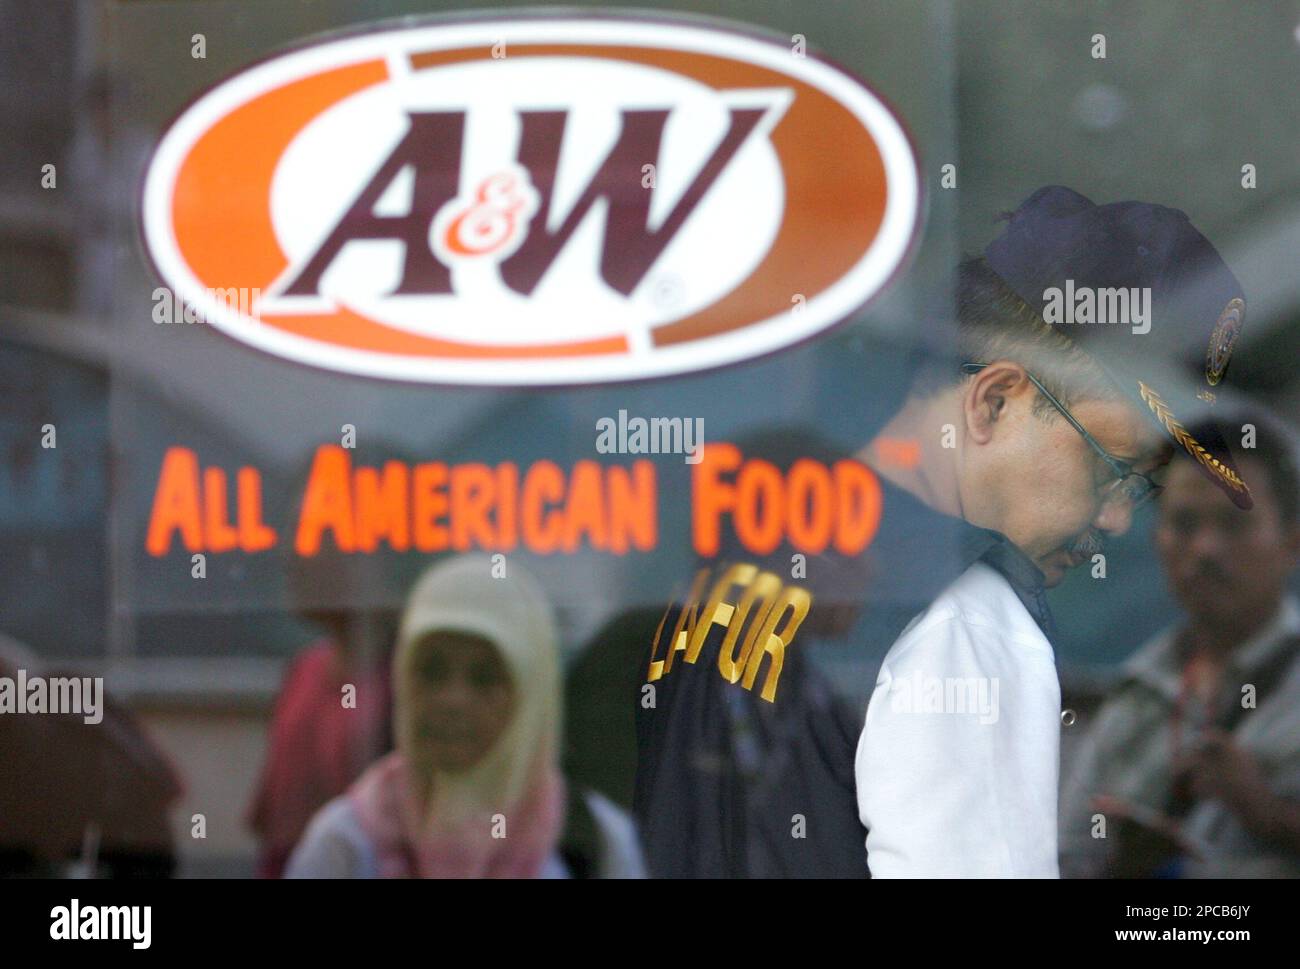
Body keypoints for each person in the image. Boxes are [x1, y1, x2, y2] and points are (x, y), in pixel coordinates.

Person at [635, 185, 1256, 877]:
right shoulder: (972, 622)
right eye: (1111, 468)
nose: (1115, 517)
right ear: (993, 401)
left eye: (1138, 489)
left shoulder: (726, 599)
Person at [286, 554, 645, 878]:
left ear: (530, 695)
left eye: (486, 677)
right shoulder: (345, 843)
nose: (452, 700)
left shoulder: (596, 844)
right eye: (430, 671)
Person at [1060, 413, 1300, 878]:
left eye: (1234, 523)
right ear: (1159, 541)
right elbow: (1064, 855)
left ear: (1292, 542)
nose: (1206, 549)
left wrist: (1267, 814)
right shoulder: (1134, 695)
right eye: (1185, 524)